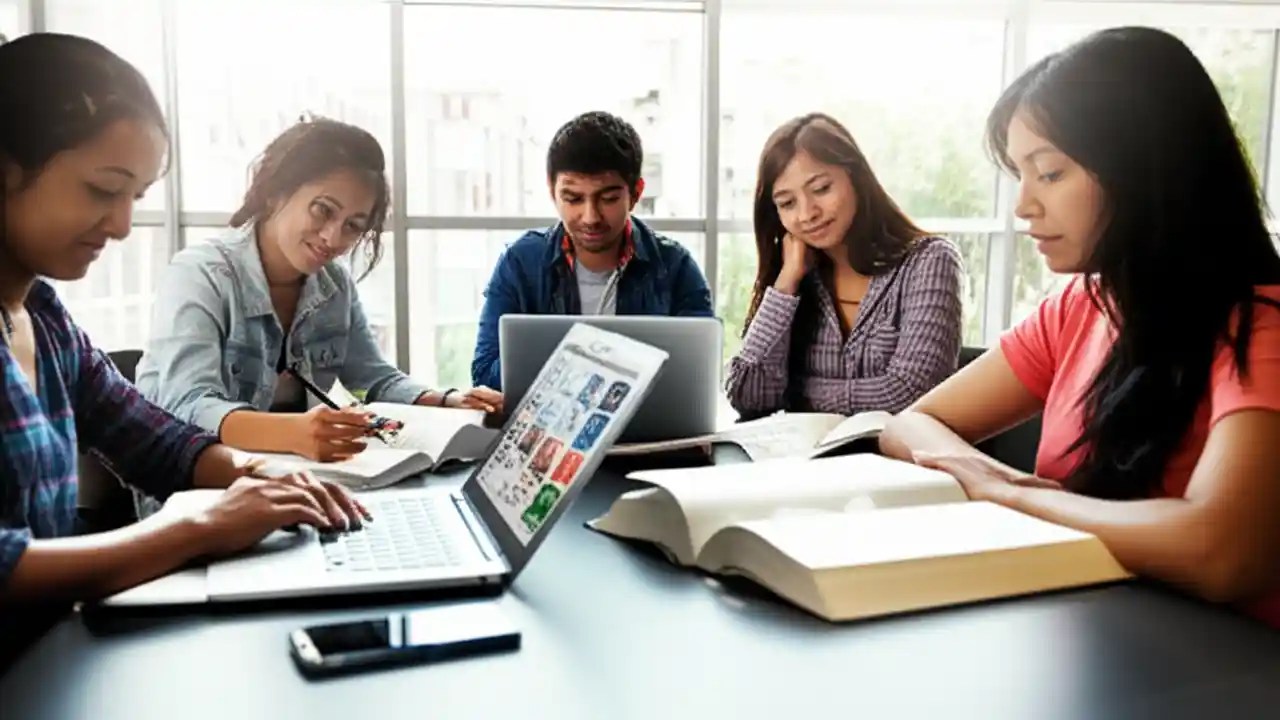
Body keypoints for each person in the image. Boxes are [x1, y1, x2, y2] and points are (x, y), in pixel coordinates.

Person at [879, 27, 1280, 626]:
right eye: (1020, 173)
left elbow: (1222, 552)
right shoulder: (1083, 306)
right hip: (1100, 635)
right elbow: (912, 423)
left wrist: (1013, 498)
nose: (1022, 206)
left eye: (1050, 173)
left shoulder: (1260, 322)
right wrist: (996, 479)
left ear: (1143, 166)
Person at [0, 33, 363, 656]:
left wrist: (260, 473)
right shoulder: (207, 271)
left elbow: (154, 440)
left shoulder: (45, 315)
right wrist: (199, 526)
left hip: (50, 659)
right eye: (102, 190)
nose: (119, 226)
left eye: (133, 199)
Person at [136, 118, 503, 463]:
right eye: (322, 210)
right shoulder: (200, 274)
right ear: (275, 193)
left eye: (353, 226)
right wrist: (294, 433)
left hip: (293, 480)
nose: (333, 238)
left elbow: (374, 377)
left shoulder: (333, 283)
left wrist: (447, 400)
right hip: (195, 489)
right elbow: (187, 404)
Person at [725, 113, 963, 417]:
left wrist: (791, 392)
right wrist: (785, 285)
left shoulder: (929, 261)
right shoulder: (799, 278)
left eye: (822, 189)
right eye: (787, 203)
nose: (807, 213)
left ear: (856, 178)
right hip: (806, 460)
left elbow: (910, 393)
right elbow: (747, 393)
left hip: (895, 460)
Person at [470, 111, 713, 391]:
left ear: (635, 193)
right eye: (572, 198)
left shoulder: (675, 267)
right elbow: (484, 373)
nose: (590, 217)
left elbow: (699, 380)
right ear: (552, 192)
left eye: (608, 199)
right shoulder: (520, 263)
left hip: (650, 433)